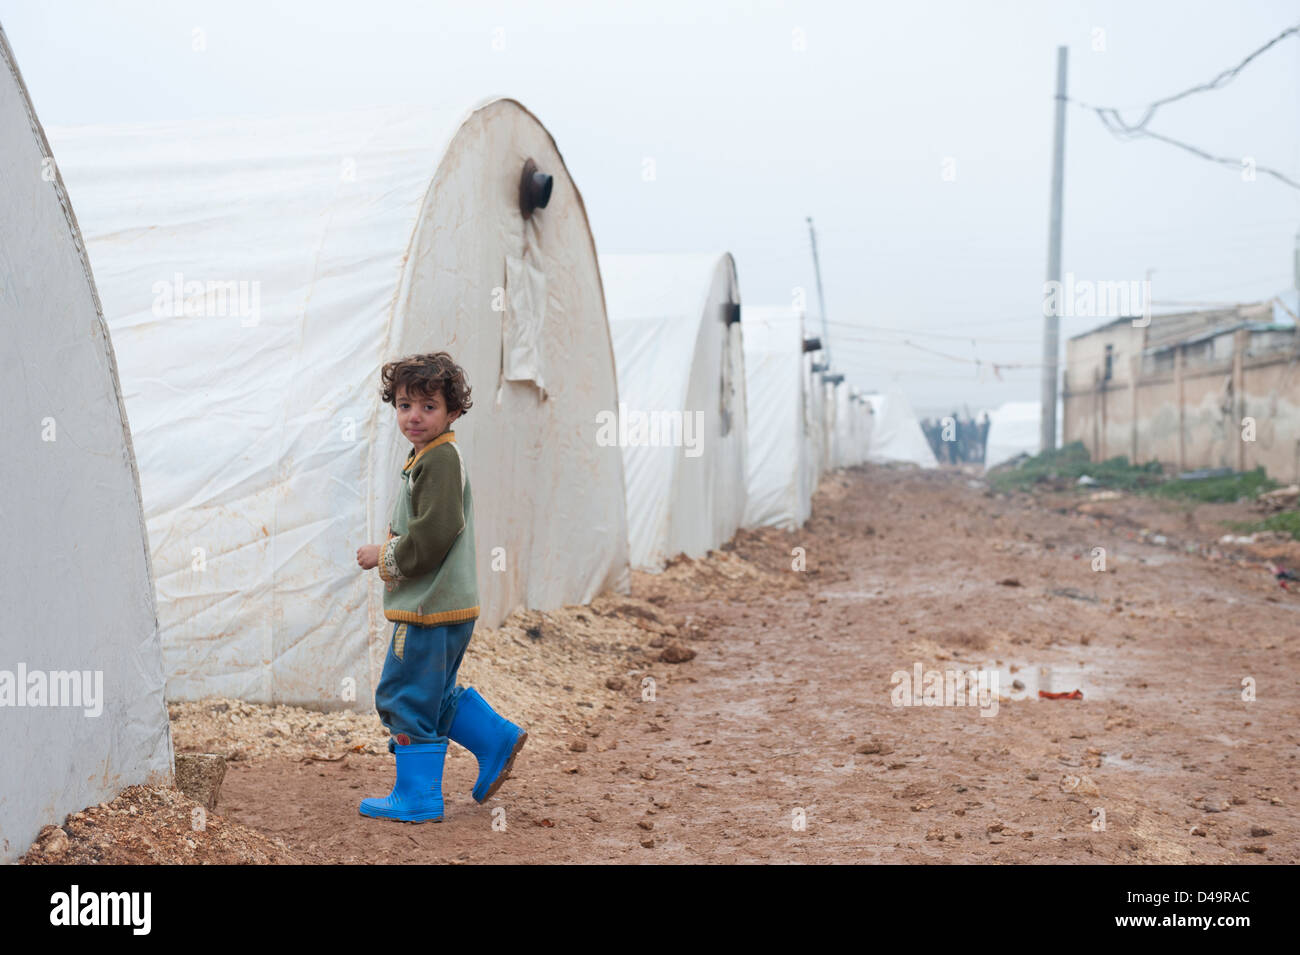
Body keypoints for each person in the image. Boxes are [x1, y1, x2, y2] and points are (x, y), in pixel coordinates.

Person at [354, 352, 527, 822]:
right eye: (405, 404)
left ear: (452, 413)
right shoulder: (429, 457)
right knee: (433, 693)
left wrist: (384, 556)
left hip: (429, 608)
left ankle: (418, 797)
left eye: (428, 407)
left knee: (402, 695)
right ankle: (495, 739)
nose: (414, 416)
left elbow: (434, 534)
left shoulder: (441, 461)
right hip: (446, 607)